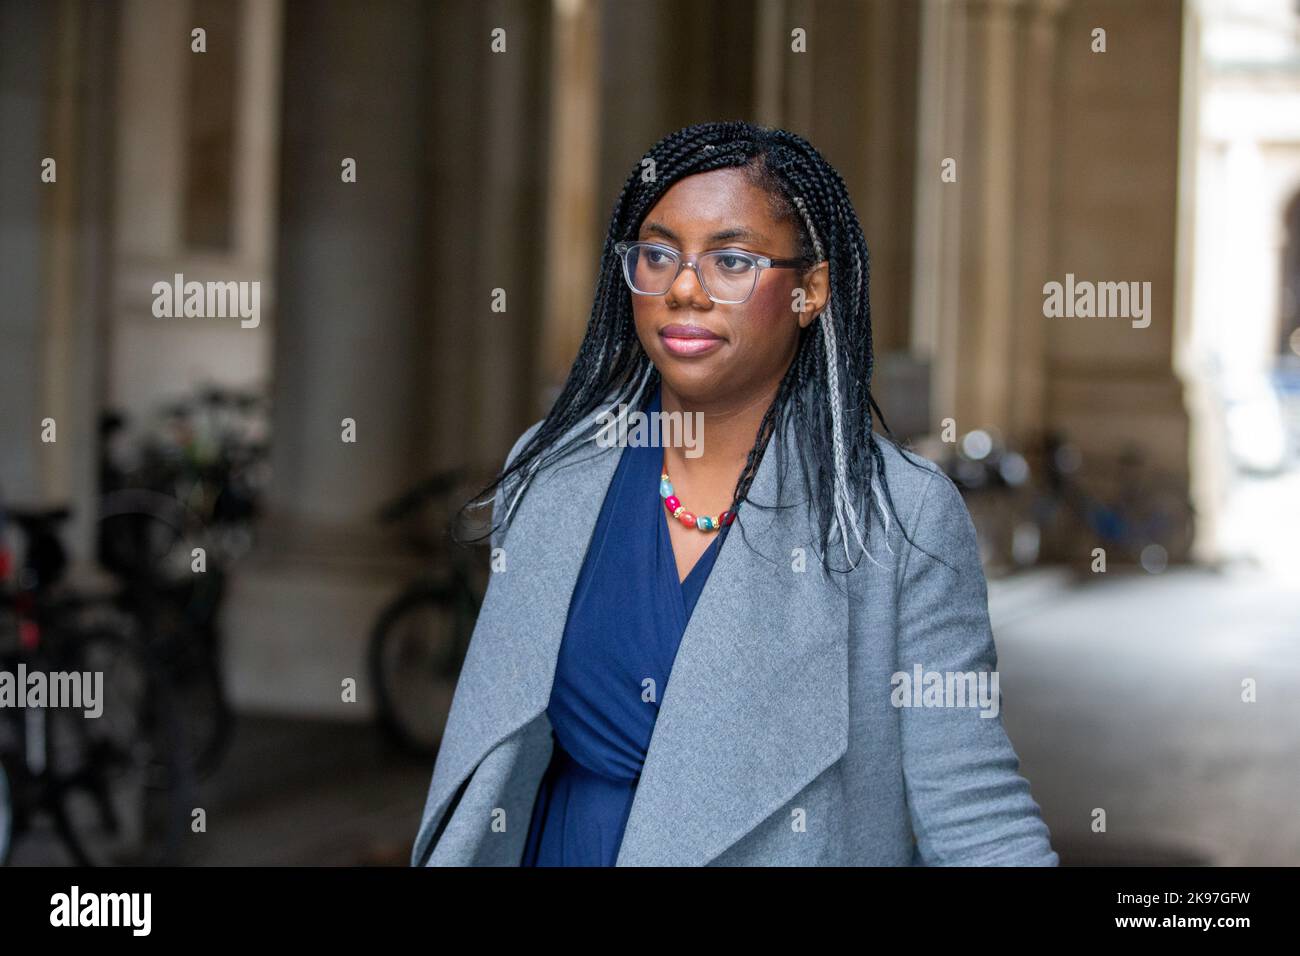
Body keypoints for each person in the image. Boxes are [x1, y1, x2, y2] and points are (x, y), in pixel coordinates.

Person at [411, 121, 1058, 866]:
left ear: (810, 290)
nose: (685, 288)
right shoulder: (554, 473)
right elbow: (498, 753)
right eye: (658, 255)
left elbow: (971, 800)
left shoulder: (896, 517)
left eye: (732, 260)